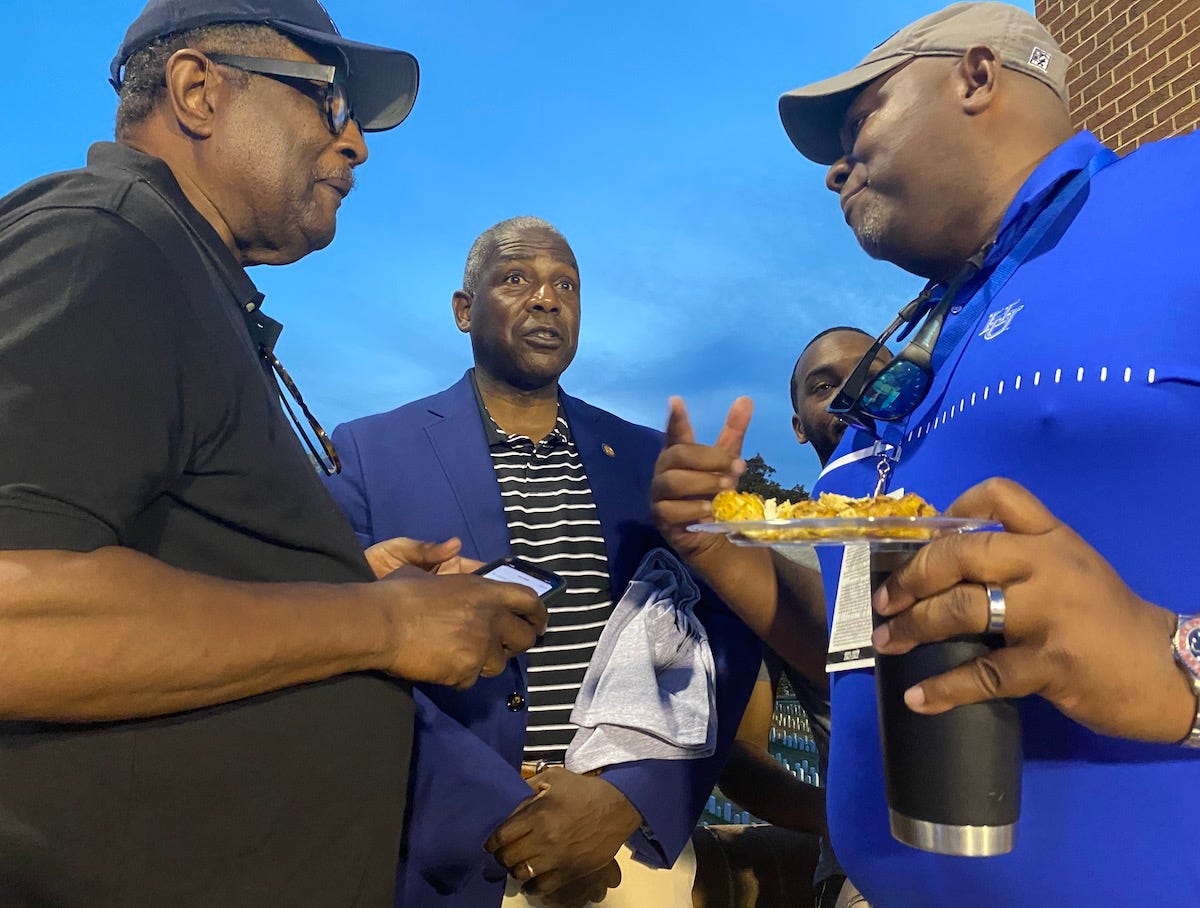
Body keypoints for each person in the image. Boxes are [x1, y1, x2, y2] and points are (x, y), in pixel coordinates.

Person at [0, 2, 548, 906]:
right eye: (329, 101)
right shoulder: (100, 245)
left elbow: (148, 565)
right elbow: (17, 613)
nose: (355, 144)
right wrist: (383, 625)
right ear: (198, 91)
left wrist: (340, 579)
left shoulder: (184, 276)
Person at [652, 2, 1200, 904]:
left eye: (858, 122)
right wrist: (713, 544)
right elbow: (865, 641)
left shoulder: (1179, 200)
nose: (834, 170)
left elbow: (1156, 658)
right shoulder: (910, 356)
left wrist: (1175, 660)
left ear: (975, 78)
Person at [324, 216, 761, 908]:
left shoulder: (646, 459)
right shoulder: (367, 454)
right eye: (515, 279)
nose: (546, 299)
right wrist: (508, 814)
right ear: (463, 311)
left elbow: (723, 634)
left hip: (622, 854)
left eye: (566, 285)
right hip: (448, 859)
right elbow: (332, 648)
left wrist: (625, 800)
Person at [718, 327, 887, 908]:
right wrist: (844, 818)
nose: (852, 394)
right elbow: (738, 753)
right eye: (824, 386)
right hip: (874, 873)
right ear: (798, 426)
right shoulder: (777, 554)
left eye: (874, 375)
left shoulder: (966, 505)